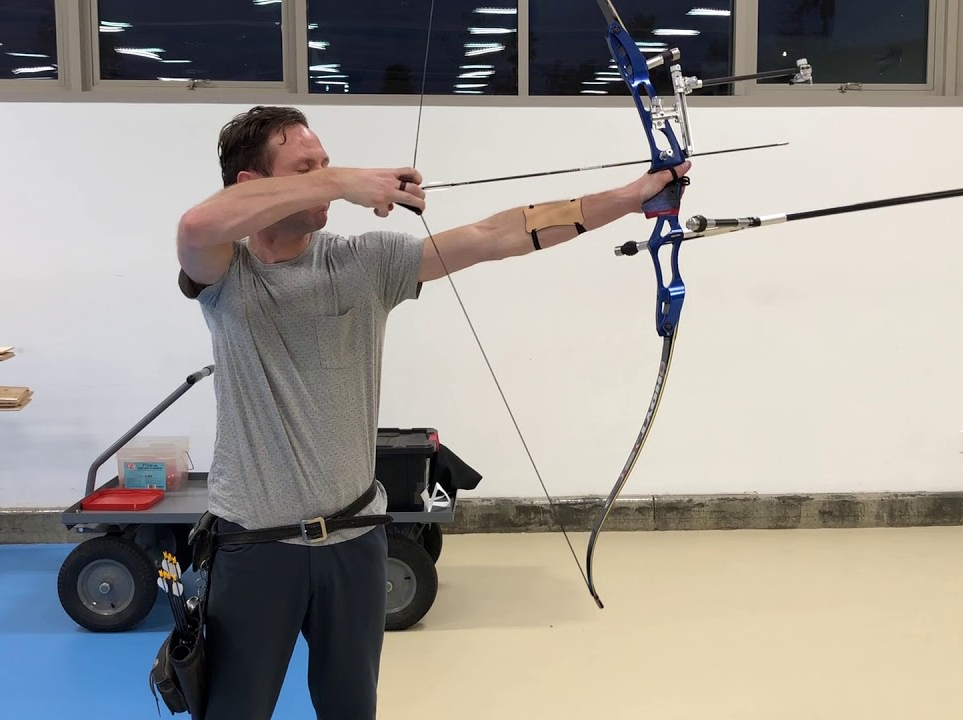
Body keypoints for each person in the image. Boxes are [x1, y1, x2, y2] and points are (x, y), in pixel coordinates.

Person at [175, 105, 691, 719]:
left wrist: (632, 197)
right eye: (305, 168)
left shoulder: (361, 261)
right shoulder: (225, 270)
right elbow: (195, 225)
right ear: (252, 186)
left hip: (355, 539)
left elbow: (493, 235)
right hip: (254, 547)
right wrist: (341, 181)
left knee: (351, 709)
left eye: (325, 161)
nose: (327, 174)